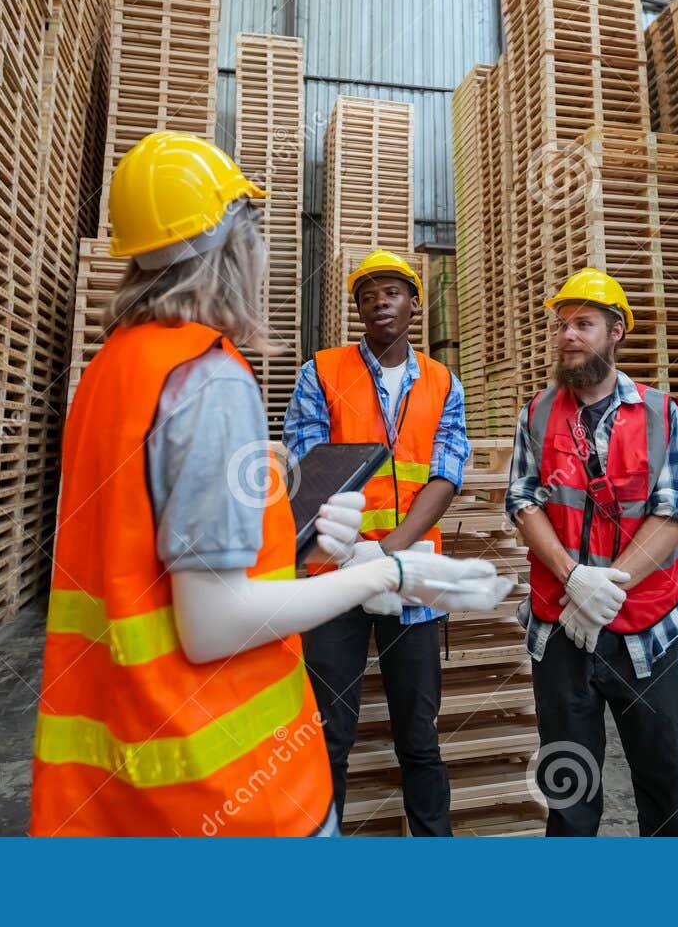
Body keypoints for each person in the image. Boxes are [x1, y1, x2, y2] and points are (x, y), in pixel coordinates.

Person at [29, 133, 509, 837]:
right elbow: (213, 620)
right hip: (222, 779)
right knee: (338, 729)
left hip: (120, 781)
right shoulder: (206, 375)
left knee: (420, 736)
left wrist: (329, 546)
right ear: (230, 244)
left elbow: (160, 549)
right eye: (253, 230)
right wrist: (385, 572)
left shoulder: (112, 371)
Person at [506, 267, 678, 837]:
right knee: (569, 796)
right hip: (562, 632)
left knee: (666, 787)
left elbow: (676, 512)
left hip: (645, 634)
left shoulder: (660, 413)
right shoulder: (537, 415)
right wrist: (573, 581)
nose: (568, 335)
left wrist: (607, 586)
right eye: (563, 325)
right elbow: (523, 501)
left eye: (584, 324)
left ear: (615, 332)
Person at [284, 249, 470, 835]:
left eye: (391, 291)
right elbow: (306, 468)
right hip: (333, 580)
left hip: (409, 577)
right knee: (329, 734)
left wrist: (386, 553)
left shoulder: (442, 381)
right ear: (357, 309)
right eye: (367, 295)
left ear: (415, 303)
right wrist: (349, 553)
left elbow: (446, 471)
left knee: (418, 735)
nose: (378, 302)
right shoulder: (322, 371)